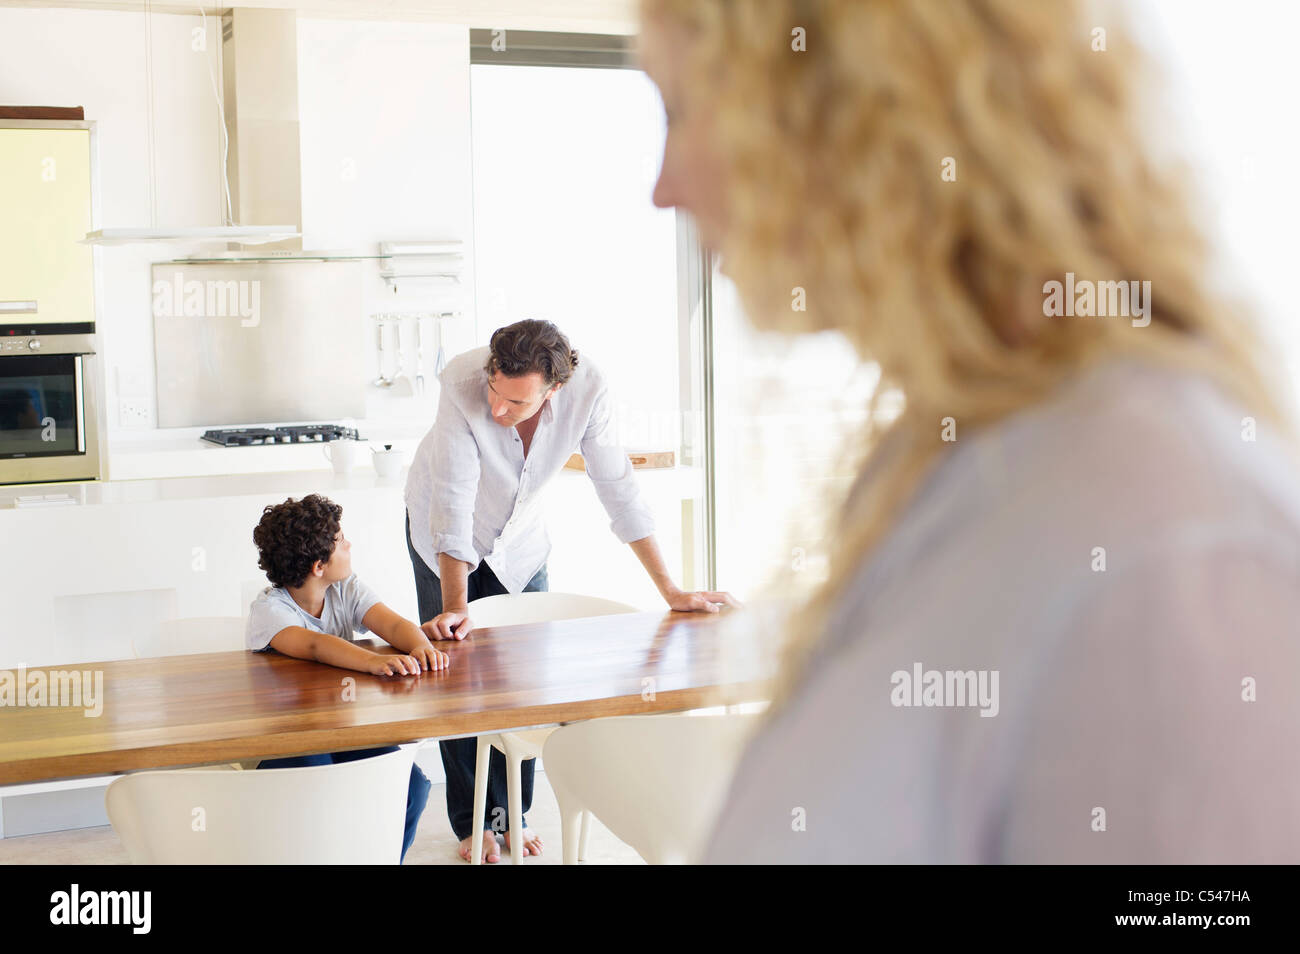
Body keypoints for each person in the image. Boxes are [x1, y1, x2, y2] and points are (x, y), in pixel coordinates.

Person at [638, 0, 1300, 862]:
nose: (662, 187)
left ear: (853, 110)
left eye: (681, 108)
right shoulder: (941, 459)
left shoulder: (1170, 544)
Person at [405, 318, 738, 862]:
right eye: (495, 390)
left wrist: (672, 591)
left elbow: (618, 487)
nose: (497, 409)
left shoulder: (589, 391)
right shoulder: (459, 383)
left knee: (533, 684)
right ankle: (474, 823)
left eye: (516, 402)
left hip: (521, 542)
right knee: (457, 679)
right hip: (441, 536)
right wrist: (456, 609)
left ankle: (513, 814)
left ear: (554, 388)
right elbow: (452, 501)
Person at [245, 494, 450, 864]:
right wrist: (373, 662)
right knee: (323, 792)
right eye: (341, 541)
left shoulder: (345, 588)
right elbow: (314, 645)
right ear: (318, 565)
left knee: (411, 786)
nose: (350, 545)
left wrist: (419, 646)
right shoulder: (269, 610)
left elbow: (390, 623)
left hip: (342, 733)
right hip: (288, 742)